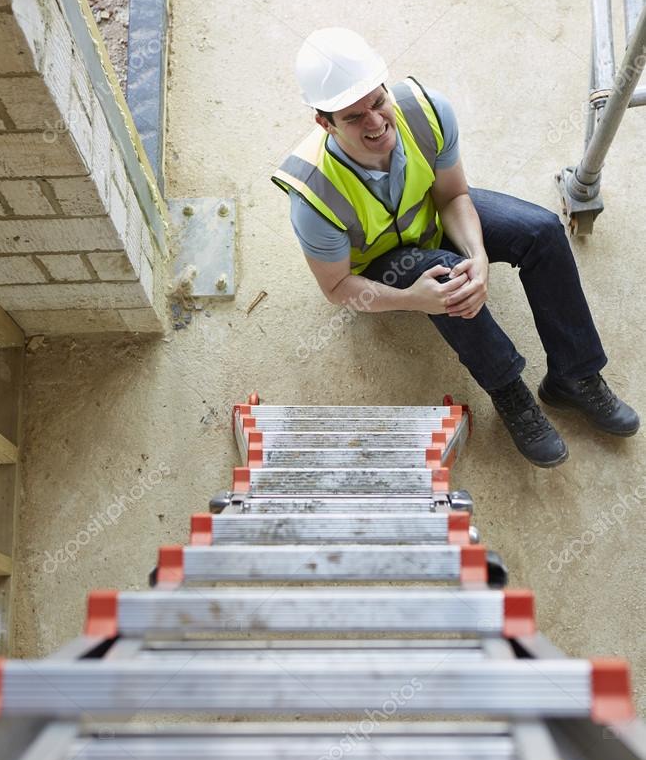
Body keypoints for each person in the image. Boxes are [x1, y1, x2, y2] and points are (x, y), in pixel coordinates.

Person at [272, 27, 639, 467]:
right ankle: (509, 390)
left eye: (376, 101)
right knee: (448, 278)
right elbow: (336, 288)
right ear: (324, 122)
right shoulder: (314, 195)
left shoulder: (427, 112)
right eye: (353, 117)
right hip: (381, 264)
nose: (375, 122)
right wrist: (412, 298)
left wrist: (479, 255)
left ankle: (574, 376)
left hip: (433, 214)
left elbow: (452, 196)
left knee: (540, 230)